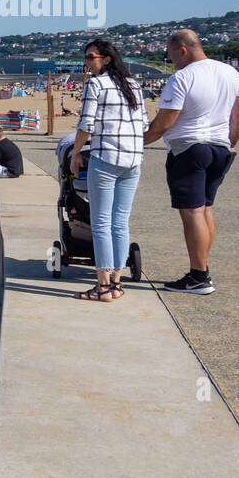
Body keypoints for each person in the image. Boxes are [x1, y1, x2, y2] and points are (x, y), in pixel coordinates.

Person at [143, 29, 239, 294]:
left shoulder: (182, 77)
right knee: (205, 208)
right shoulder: (229, 72)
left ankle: (199, 275)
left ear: (182, 50)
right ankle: (202, 269)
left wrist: (138, 141)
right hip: (219, 149)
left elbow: (165, 122)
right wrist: (230, 142)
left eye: (170, 53)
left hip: (189, 148)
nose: (171, 59)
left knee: (191, 213)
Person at [69, 39, 147, 303]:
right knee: (120, 222)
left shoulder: (96, 84)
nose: (87, 63)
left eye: (91, 57)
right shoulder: (134, 85)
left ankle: (102, 286)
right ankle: (116, 283)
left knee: (101, 222)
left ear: (107, 59)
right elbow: (143, 123)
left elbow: (86, 124)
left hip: (106, 158)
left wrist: (76, 153)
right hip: (133, 160)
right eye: (86, 58)